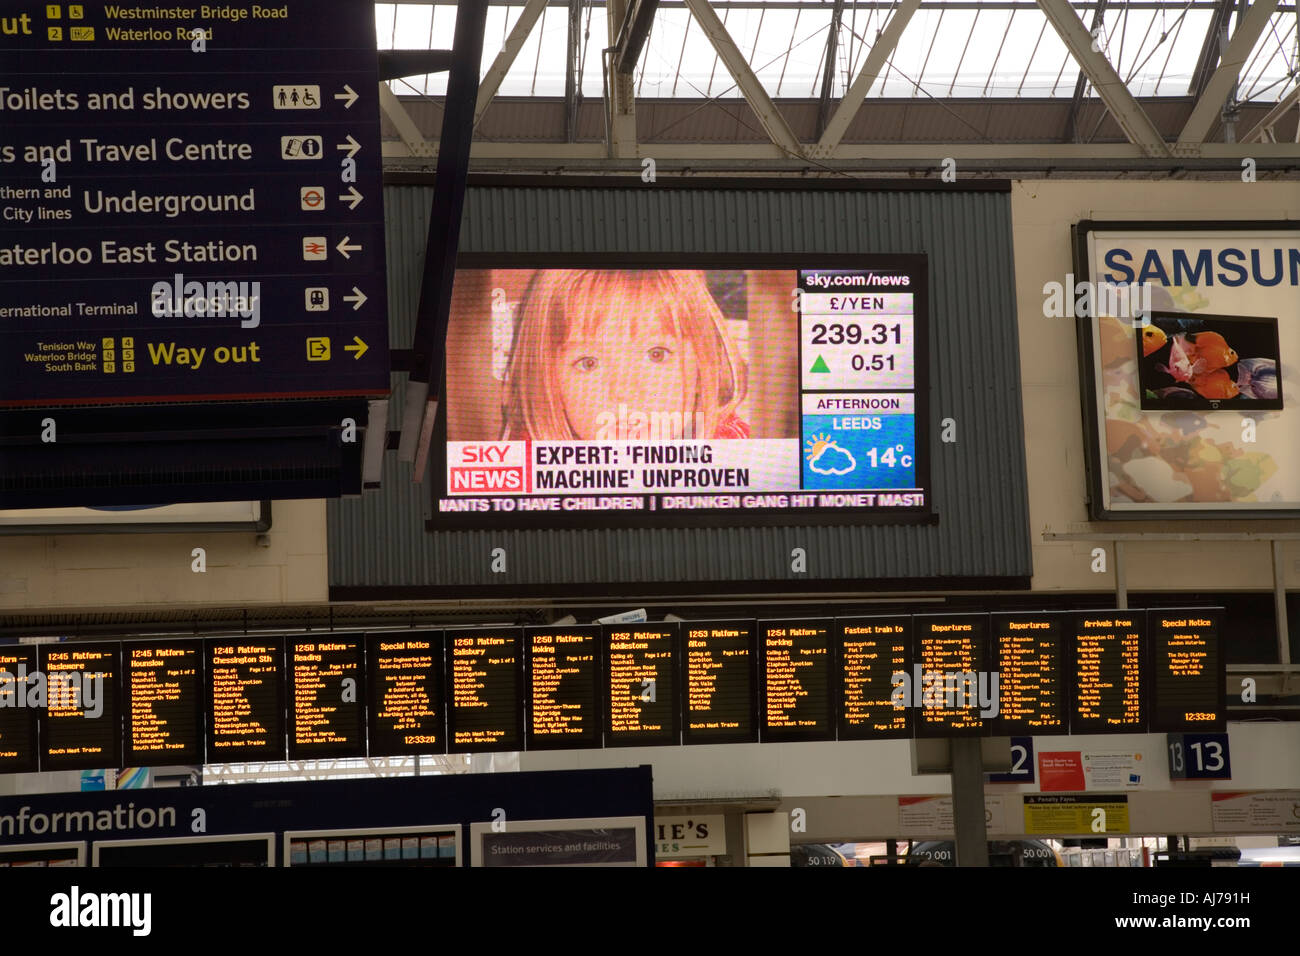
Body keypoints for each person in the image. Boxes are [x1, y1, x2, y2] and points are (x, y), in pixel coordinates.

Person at [499, 269, 749, 441]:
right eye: (588, 363)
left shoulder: (742, 460)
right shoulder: (525, 476)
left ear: (704, 368)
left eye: (656, 355)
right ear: (548, 385)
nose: (624, 392)